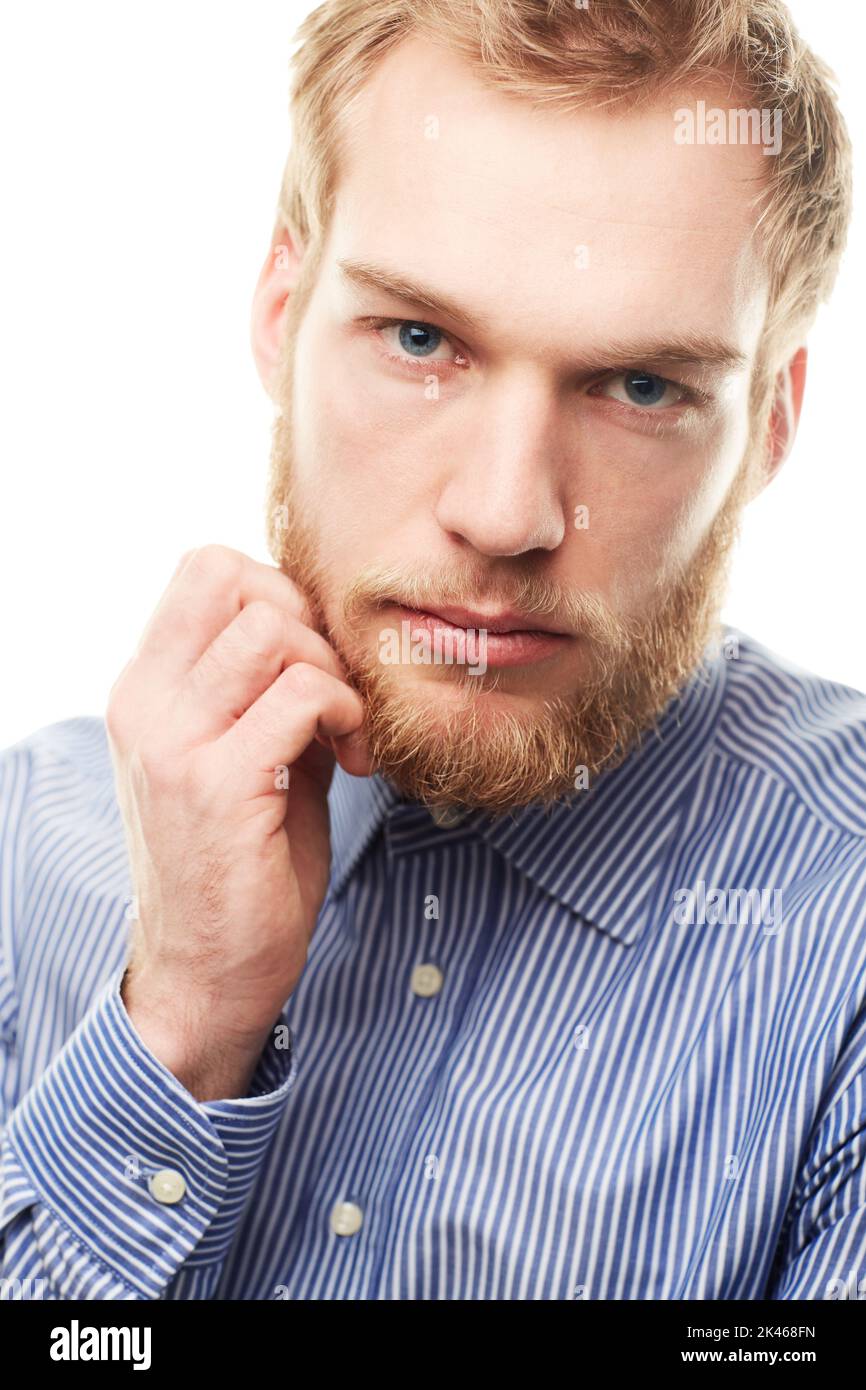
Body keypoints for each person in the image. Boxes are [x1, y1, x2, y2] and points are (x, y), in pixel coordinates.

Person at [1, 0, 863, 1301]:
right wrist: (171, 1029)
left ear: (770, 426)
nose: (506, 512)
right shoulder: (30, 840)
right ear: (280, 309)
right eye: (419, 341)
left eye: (639, 387)